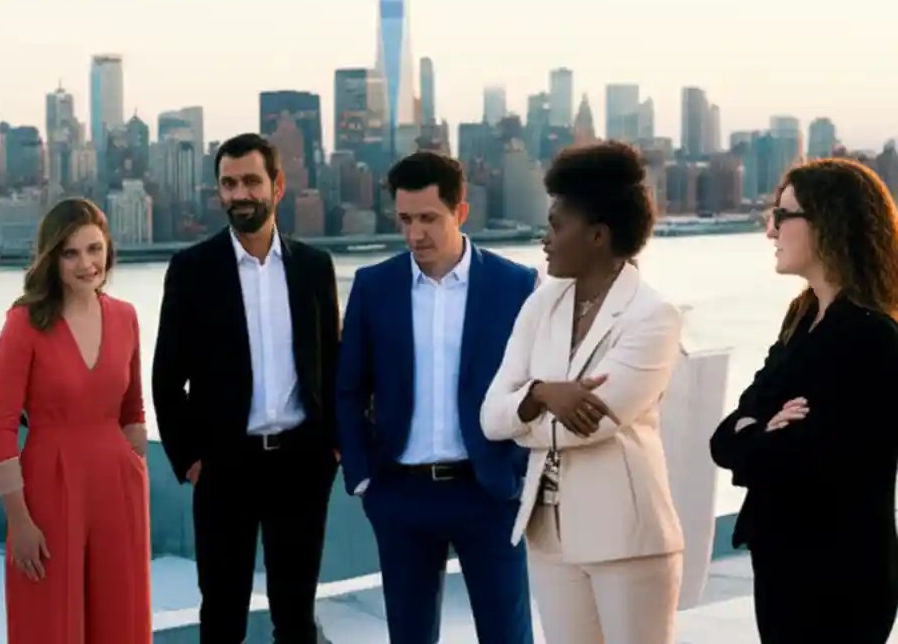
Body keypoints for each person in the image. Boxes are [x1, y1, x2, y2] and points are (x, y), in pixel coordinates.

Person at [480, 142, 684, 644]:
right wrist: (544, 393)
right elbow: (490, 416)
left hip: (627, 538)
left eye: (556, 226)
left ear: (597, 235)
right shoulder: (541, 304)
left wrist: (523, 413)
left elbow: (592, 425)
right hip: (549, 533)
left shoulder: (652, 315)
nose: (544, 239)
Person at [336, 151, 537, 644]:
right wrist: (364, 479)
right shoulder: (373, 286)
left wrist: (517, 474)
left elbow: (534, 386)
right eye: (405, 219)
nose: (414, 234)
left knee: (508, 636)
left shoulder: (515, 285)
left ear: (460, 212)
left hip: (488, 491)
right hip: (401, 494)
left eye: (428, 218)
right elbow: (347, 388)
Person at [152, 133, 340, 643]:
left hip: (301, 464)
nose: (240, 194)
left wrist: (334, 447)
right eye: (229, 184)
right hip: (224, 469)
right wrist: (190, 460)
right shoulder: (192, 270)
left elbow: (332, 363)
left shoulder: (314, 268)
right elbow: (167, 377)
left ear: (277, 186)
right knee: (222, 615)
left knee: (297, 615)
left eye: (251, 181)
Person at [710, 157, 898, 643]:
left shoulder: (872, 337)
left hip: (840, 574)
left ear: (828, 222)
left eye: (782, 214)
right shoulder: (801, 319)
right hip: (781, 560)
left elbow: (817, 459)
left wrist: (759, 433)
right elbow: (724, 436)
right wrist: (764, 428)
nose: (769, 229)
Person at [0, 198, 151, 643]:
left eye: (95, 249)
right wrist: (18, 521)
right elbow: (2, 428)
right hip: (49, 486)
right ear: (51, 258)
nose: (87, 263)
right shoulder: (24, 323)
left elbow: (133, 410)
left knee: (121, 621)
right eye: (71, 252)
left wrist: (137, 472)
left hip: (118, 487)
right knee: (50, 622)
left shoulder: (126, 317)